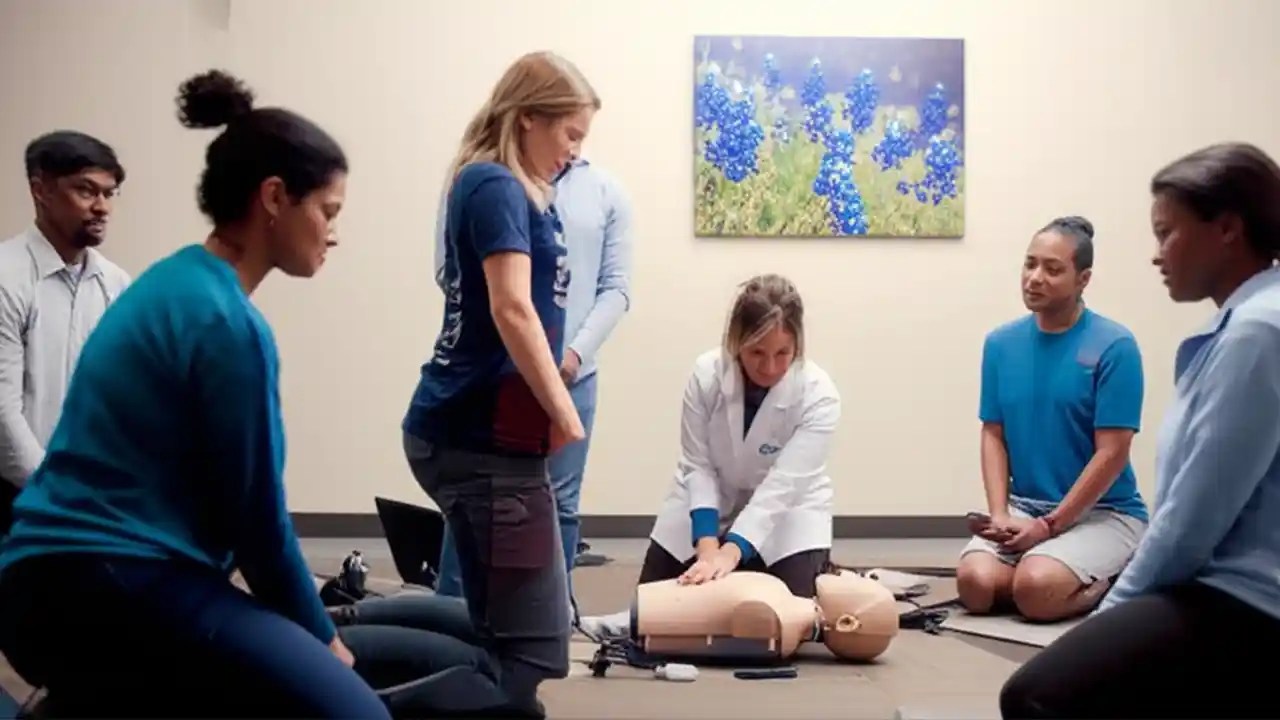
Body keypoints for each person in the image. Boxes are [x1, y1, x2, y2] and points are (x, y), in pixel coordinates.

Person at [0, 70, 390, 719]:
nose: (333, 231)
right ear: (274, 198)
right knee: (359, 714)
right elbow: (259, 525)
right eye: (328, 210)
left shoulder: (170, 281)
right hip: (101, 580)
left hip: (53, 580)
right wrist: (323, 638)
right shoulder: (224, 322)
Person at [1000, 142, 1280, 719]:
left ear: (1227, 229)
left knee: (1032, 695)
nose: (1156, 255)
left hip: (1246, 601)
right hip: (1219, 582)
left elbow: (1191, 519)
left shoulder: (1257, 334)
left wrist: (1113, 612)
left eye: (1167, 234)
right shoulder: (1246, 322)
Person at [400, 50, 599, 718]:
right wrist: (564, 412)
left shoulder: (507, 191)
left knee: (498, 641)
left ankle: (342, 643)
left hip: (487, 439)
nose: (574, 152)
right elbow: (511, 307)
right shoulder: (494, 186)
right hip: (484, 446)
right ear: (526, 119)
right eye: (569, 134)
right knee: (537, 652)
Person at [431, 143, 634, 612]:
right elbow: (451, 270)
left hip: (573, 375)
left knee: (557, 504)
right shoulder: (483, 182)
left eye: (582, 132)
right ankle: (452, 618)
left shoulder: (606, 191)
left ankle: (548, 620)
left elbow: (617, 289)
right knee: (476, 502)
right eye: (566, 128)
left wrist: (573, 355)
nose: (571, 142)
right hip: (497, 374)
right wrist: (518, 344)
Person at [579, 273, 840, 639]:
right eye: (756, 353)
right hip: (709, 499)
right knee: (649, 614)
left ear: (798, 345)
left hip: (790, 511)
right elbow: (698, 465)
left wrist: (730, 553)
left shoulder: (819, 396)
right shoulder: (706, 377)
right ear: (736, 343)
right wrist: (706, 548)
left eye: (783, 353)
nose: (769, 368)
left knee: (787, 621)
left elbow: (782, 489)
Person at [957, 216, 1148, 623]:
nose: (1035, 278)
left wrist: (1049, 527)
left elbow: (1112, 454)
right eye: (1030, 264)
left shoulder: (1115, 346)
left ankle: (1109, 577)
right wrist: (1000, 514)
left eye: (1053, 269)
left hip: (1105, 513)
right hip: (1026, 507)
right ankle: (1044, 576)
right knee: (975, 585)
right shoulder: (1000, 344)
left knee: (1034, 590)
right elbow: (993, 432)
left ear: (1084, 279)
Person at [0, 131, 131, 531]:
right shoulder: (7, 277)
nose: (102, 207)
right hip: (15, 494)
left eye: (109, 194)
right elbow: (2, 415)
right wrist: (57, 494)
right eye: (86, 191)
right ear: (41, 190)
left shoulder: (116, 284)